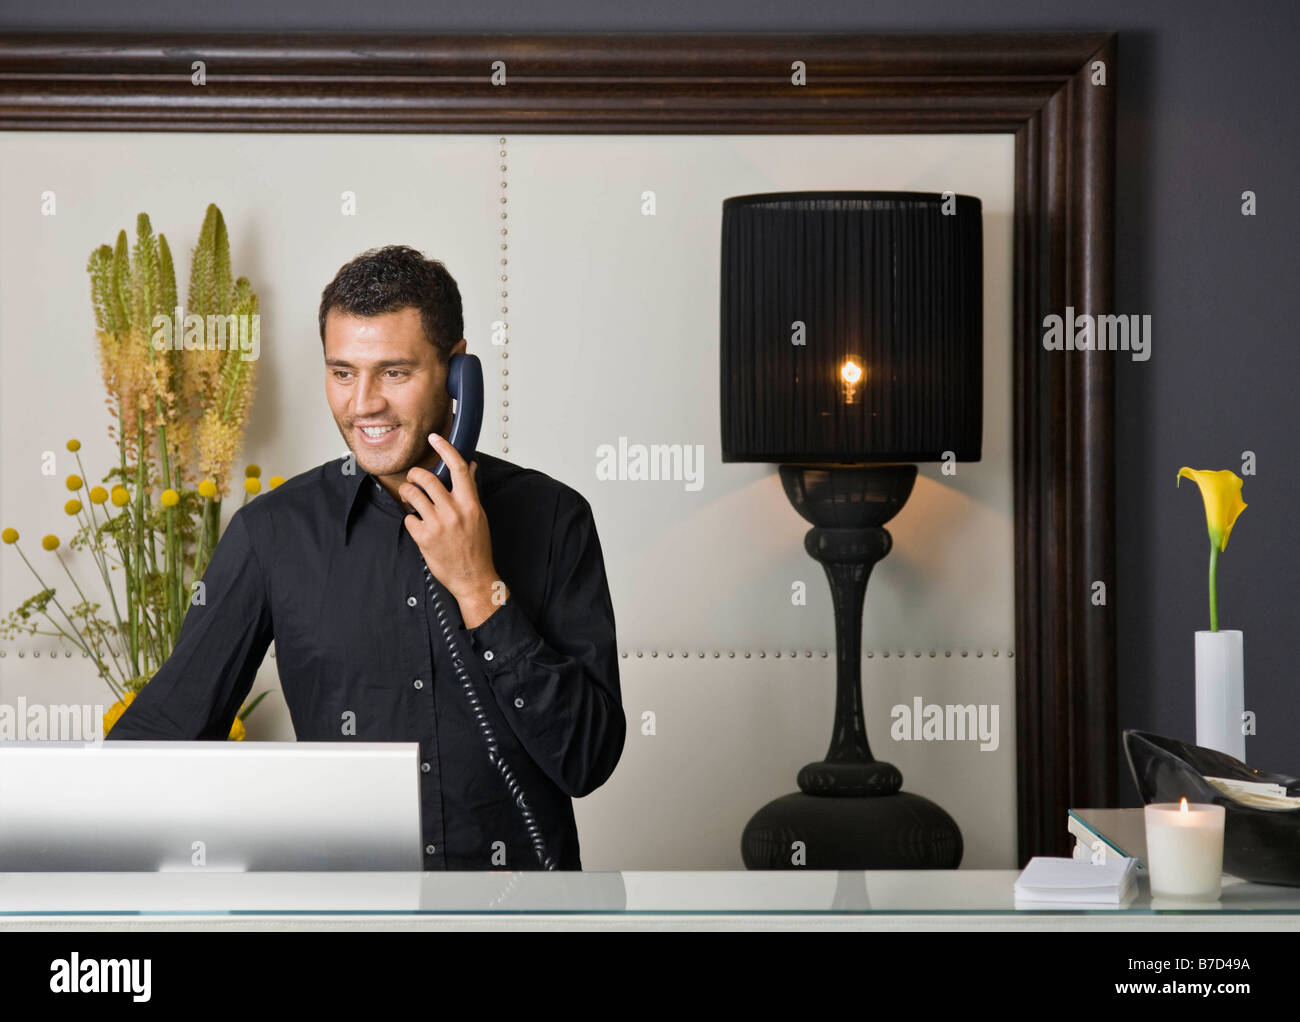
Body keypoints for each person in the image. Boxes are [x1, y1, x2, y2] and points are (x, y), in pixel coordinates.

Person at [108, 244, 625, 871]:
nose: (363, 404)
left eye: (395, 372)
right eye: (343, 372)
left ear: (459, 373)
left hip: (521, 916)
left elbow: (587, 760)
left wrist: (478, 585)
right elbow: (163, 737)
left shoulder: (554, 519)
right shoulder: (272, 533)